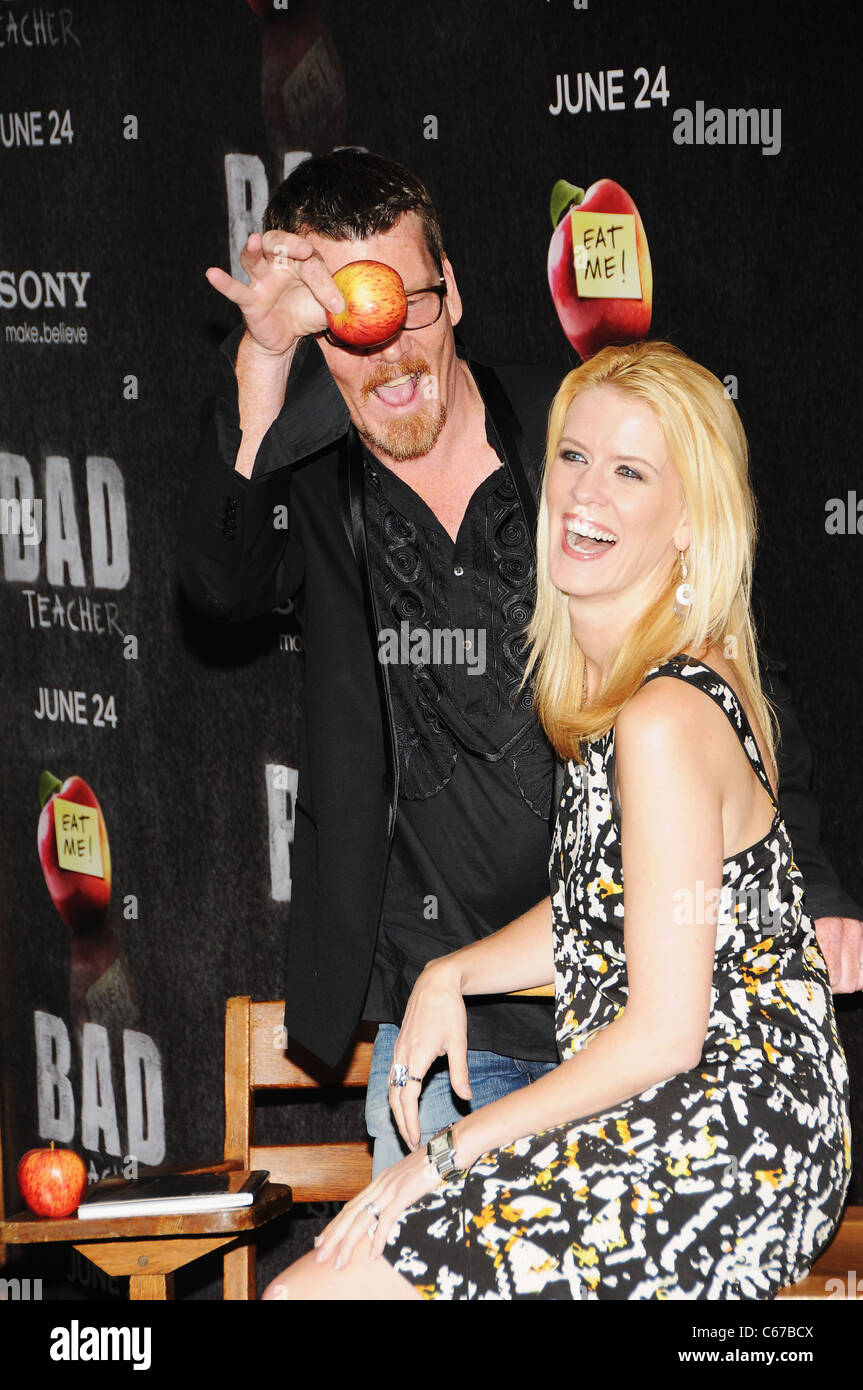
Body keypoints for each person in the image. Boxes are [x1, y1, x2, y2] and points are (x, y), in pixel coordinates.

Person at [178, 150, 861, 1177]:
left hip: (637, 992)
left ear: (451, 292)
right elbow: (219, 591)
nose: (390, 354)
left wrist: (804, 873)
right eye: (349, 328)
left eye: (408, 306)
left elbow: (724, 651)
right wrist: (261, 367)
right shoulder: (306, 471)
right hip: (449, 1022)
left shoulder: (573, 437)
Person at [262, 339, 851, 1300]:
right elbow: (612, 908)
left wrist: (446, 1156)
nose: (584, 493)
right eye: (573, 456)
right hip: (689, 1115)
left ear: (690, 525)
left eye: (629, 472)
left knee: (327, 1291)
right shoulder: (618, 696)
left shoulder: (663, 718)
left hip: (729, 1137)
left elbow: (665, 1032)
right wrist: (454, 968)